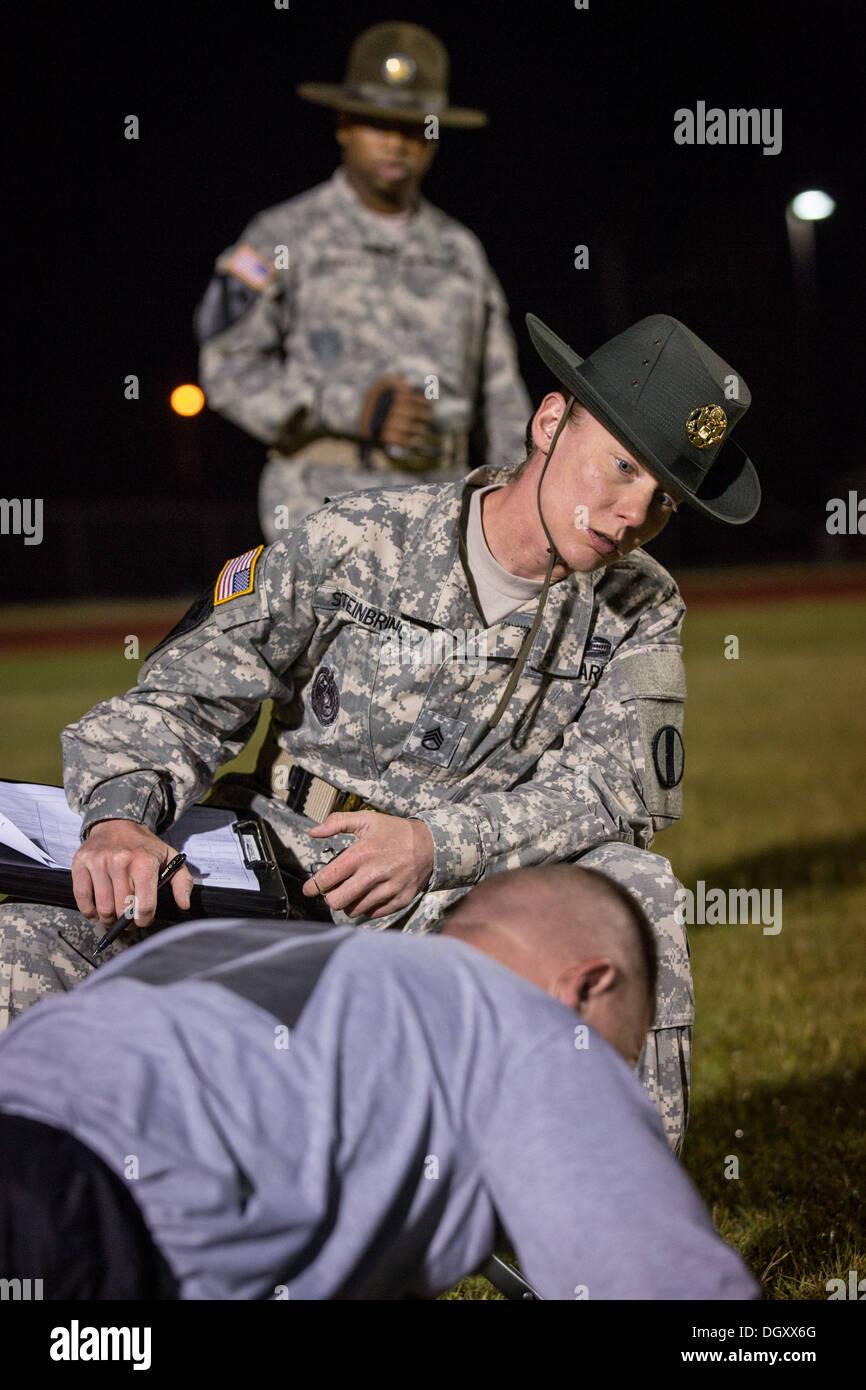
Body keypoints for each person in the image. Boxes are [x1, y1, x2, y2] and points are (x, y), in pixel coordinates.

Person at [0, 310, 761, 1156]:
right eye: (622, 466)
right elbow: (182, 696)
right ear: (551, 422)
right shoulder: (353, 540)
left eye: (662, 501)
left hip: (453, 906)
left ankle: (613, 1237)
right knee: (22, 945)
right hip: (271, 866)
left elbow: (619, 790)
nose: (630, 515)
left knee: (635, 889)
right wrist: (118, 820)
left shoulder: (639, 605)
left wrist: (436, 846)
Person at [0, 865, 759, 1301]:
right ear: (584, 988)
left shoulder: (225, 947)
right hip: (78, 1220)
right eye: (614, 1058)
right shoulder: (528, 1025)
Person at [195, 21, 531, 540]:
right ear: (344, 124)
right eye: (378, 123)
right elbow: (227, 368)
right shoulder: (279, 236)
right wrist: (349, 408)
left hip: (443, 511)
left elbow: (503, 397)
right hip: (318, 508)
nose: (397, 143)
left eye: (415, 127)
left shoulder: (460, 251)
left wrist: (520, 497)